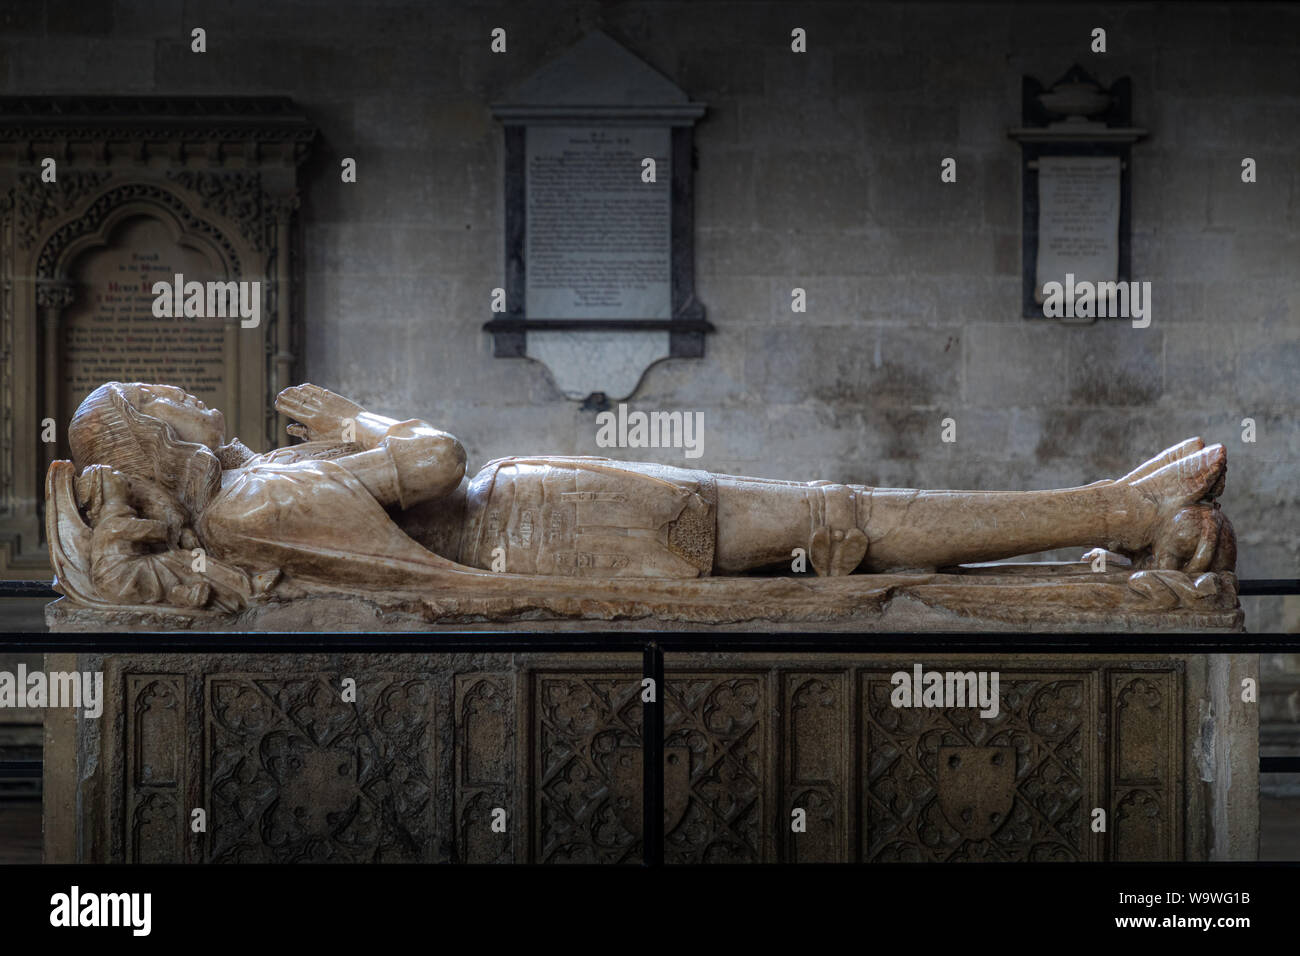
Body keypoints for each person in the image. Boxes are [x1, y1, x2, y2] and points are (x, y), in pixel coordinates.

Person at [61, 381, 1234, 609]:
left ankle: (1113, 511)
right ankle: (1119, 517)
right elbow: (427, 463)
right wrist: (367, 423)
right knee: (849, 530)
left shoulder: (251, 492)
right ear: (157, 440)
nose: (185, 395)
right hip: (542, 532)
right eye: (161, 399)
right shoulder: (253, 504)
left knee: (844, 514)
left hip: (548, 504)